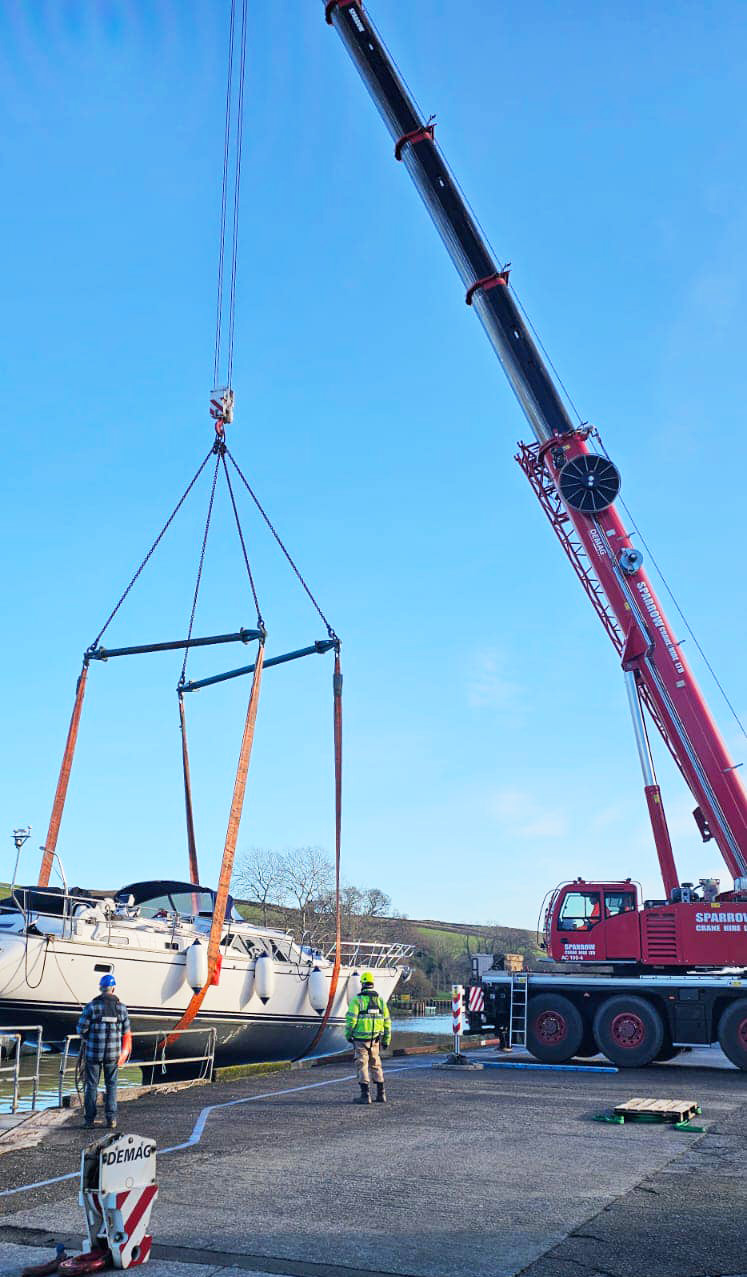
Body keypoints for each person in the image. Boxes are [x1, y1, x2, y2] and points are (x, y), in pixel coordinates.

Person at [77, 974, 132, 1130]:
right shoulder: (122, 1008)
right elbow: (126, 1032)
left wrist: (89, 1038)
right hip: (113, 1055)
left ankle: (89, 1120)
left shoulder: (91, 1007)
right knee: (111, 1086)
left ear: (100, 988)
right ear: (113, 989)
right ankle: (111, 1119)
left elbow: (81, 1029)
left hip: (93, 1053)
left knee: (91, 1086)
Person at [345, 970, 391, 1105]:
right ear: (372, 984)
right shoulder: (381, 1001)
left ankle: (365, 1096)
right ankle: (381, 1094)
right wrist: (386, 1040)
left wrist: (348, 1035)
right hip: (375, 1039)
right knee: (376, 1064)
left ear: (362, 984)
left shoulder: (357, 1001)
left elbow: (351, 1021)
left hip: (360, 1040)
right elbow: (387, 1022)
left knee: (362, 1065)